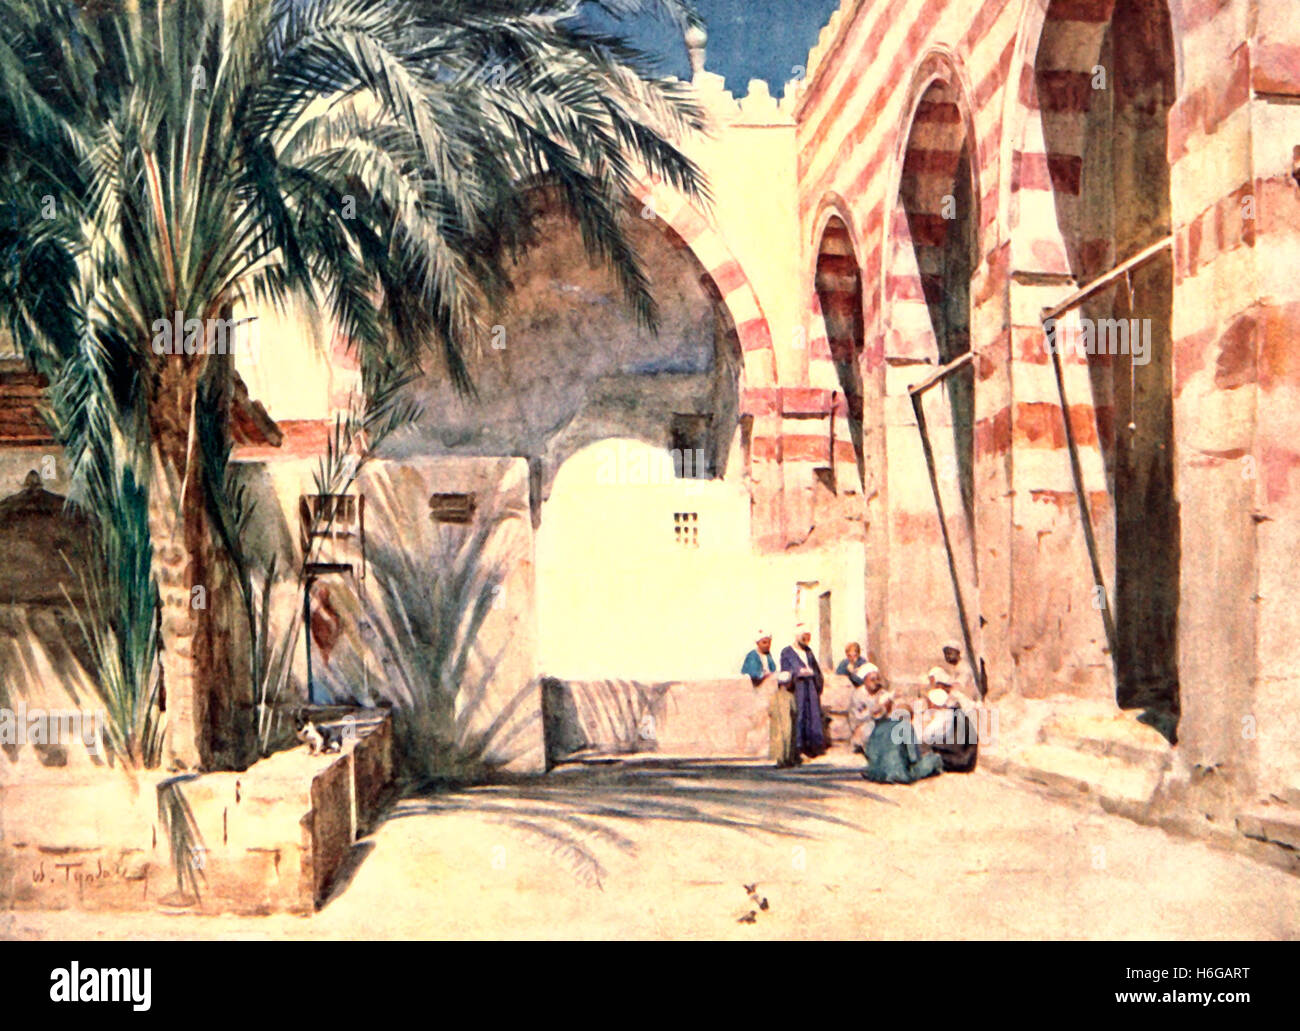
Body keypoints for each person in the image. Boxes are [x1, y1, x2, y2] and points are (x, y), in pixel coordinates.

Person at [742, 631, 797, 768]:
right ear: (758, 643)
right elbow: (752, 673)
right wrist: (763, 675)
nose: (767, 646)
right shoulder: (753, 656)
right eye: (764, 643)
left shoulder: (769, 656)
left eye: (769, 643)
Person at [861, 697, 943, 784]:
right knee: (935, 758)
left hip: (875, 774)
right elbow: (914, 758)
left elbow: (869, 753)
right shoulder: (906, 727)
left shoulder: (879, 726)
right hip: (899, 774)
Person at [780, 623, 826, 759]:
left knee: (813, 716)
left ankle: (813, 746)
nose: (806, 640)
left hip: (810, 688)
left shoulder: (809, 652)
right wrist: (797, 673)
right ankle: (798, 747)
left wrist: (813, 675)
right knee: (799, 715)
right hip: (797, 689)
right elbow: (785, 670)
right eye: (803, 636)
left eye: (808, 637)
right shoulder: (787, 652)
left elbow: (817, 670)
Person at [922, 674, 979, 773]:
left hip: (957, 761)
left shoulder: (942, 717)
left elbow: (926, 738)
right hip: (965, 759)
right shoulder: (954, 713)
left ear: (934, 703)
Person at [847, 661, 888, 753]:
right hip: (863, 726)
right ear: (865, 680)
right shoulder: (858, 695)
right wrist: (874, 711)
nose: (876, 682)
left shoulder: (882, 693)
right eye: (872, 680)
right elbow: (859, 717)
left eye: (877, 679)